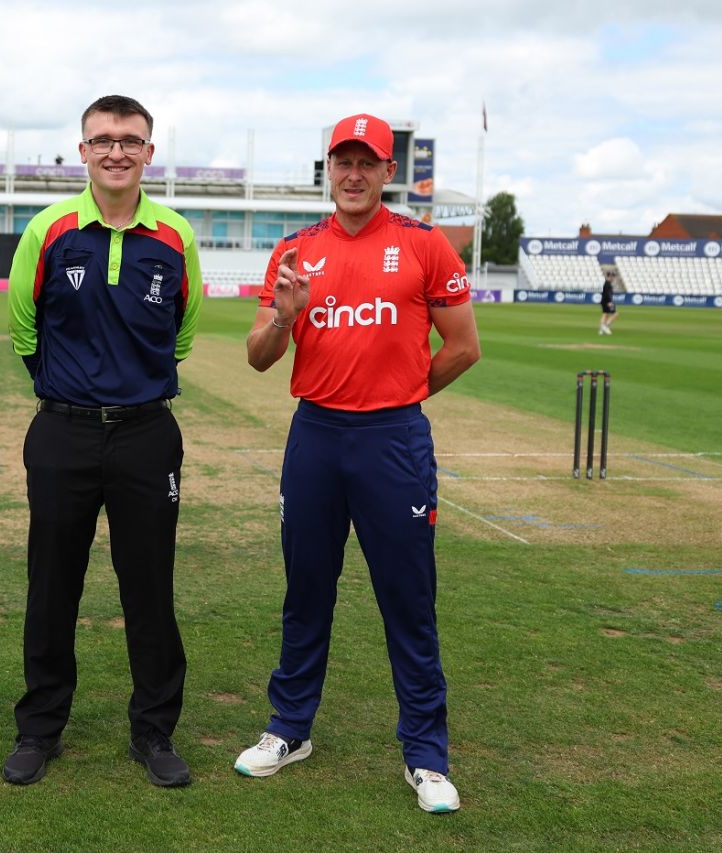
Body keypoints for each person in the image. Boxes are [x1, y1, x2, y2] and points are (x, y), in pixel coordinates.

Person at [234, 113, 480, 814]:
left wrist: (400, 397)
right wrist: (284, 315)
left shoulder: (424, 244)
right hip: (315, 433)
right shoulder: (295, 248)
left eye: (367, 162)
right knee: (307, 588)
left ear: (386, 171)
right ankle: (289, 728)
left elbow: (462, 345)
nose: (353, 174)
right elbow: (258, 356)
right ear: (328, 169)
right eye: (342, 161)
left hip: (392, 440)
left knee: (408, 596)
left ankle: (426, 755)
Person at [4, 95, 203, 788]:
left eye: (130, 139)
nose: (116, 150)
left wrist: (131, 389)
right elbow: (25, 330)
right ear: (81, 150)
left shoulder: (176, 234)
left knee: (149, 587)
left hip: (148, 435)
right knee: (51, 585)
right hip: (62, 432)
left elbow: (182, 330)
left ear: (150, 151)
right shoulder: (49, 229)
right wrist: (70, 392)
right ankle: (40, 728)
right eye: (102, 139)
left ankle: (154, 731)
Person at [599, 270, 619, 335]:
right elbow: (607, 294)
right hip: (607, 301)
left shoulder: (607, 283)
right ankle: (606, 326)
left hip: (605, 301)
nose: (613, 278)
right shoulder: (607, 283)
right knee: (615, 314)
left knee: (605, 314)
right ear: (609, 276)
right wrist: (609, 302)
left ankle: (602, 329)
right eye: (612, 276)